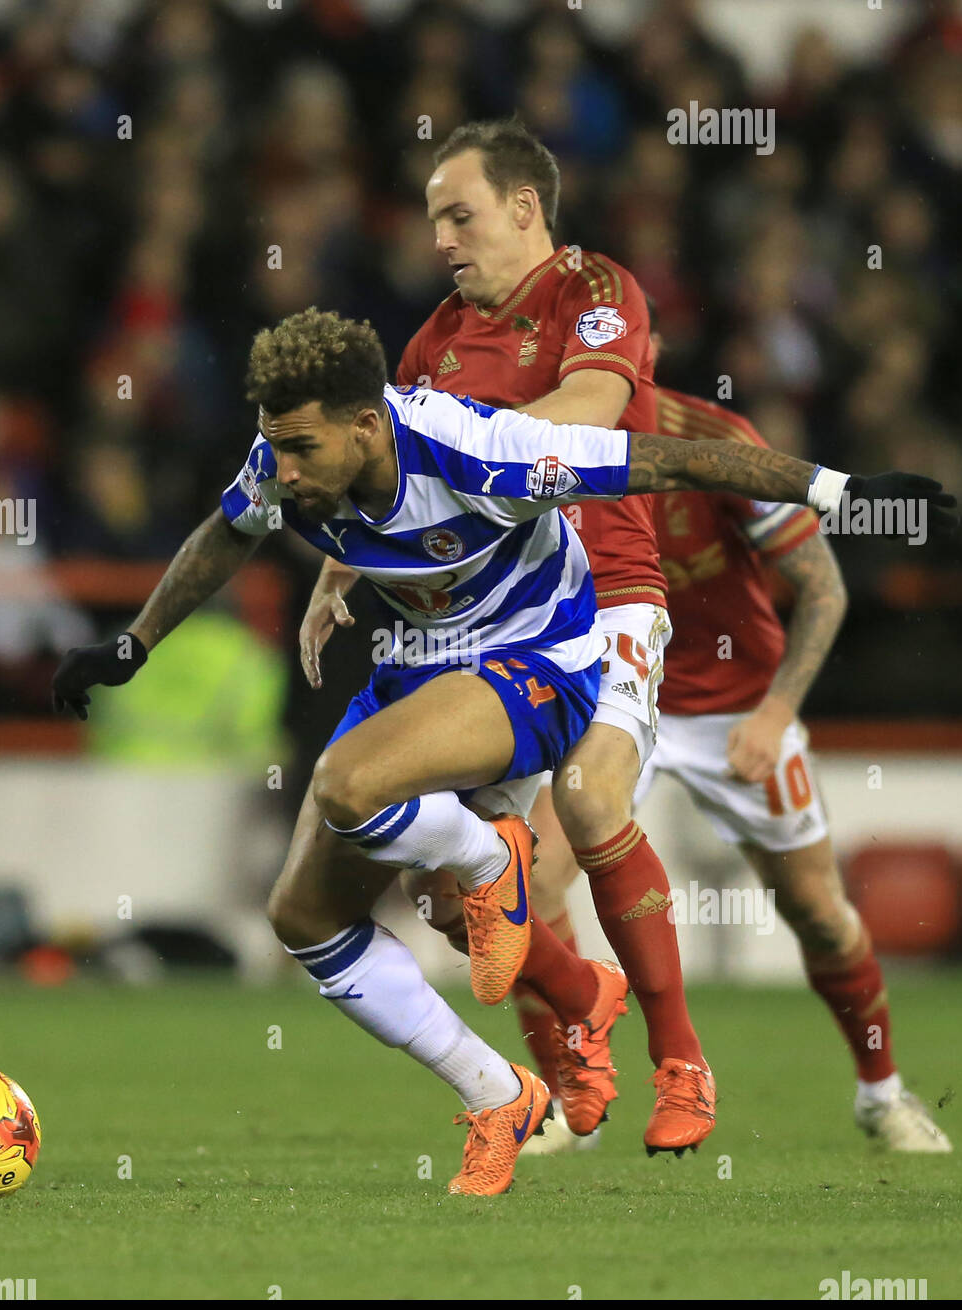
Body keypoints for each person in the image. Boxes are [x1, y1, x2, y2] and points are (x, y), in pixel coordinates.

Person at [52, 306, 954, 1195]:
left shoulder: (481, 450)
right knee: (305, 920)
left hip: (541, 666)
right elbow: (225, 532)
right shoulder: (281, 464)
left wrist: (840, 490)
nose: (283, 471)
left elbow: (670, 460)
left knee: (346, 784)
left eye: (301, 449)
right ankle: (503, 1092)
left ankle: (497, 866)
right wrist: (133, 644)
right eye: (275, 447)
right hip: (420, 670)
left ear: (368, 426)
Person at [301, 116, 716, 1155]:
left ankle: (681, 1060)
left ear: (523, 208)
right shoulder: (432, 340)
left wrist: (468, 441)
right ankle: (581, 1011)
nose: (441, 237)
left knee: (587, 796)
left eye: (460, 213)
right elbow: (377, 467)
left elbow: (586, 411)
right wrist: (334, 569)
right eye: (434, 217)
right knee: (448, 896)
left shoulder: (595, 292)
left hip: (608, 588)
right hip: (488, 620)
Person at [518, 349, 952, 1154]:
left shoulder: (714, 443)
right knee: (533, 879)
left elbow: (824, 587)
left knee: (818, 913)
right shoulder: (546, 444)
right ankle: (569, 1097)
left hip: (736, 708)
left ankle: (881, 1093)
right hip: (620, 693)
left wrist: (778, 710)